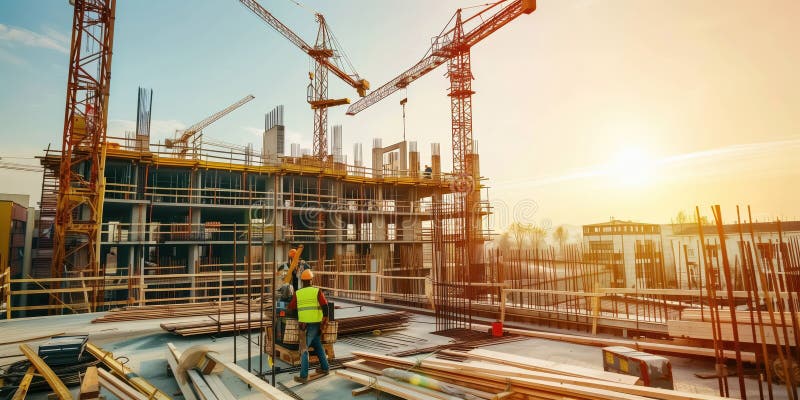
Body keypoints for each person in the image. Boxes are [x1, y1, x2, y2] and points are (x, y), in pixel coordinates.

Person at [288, 269, 330, 382]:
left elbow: (291, 307)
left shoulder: (298, 293)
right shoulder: (317, 291)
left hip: (305, 326)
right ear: (311, 280)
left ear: (302, 281)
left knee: (304, 349)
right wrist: (324, 321)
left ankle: (303, 376)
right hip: (316, 324)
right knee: (318, 345)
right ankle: (325, 368)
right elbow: (325, 306)